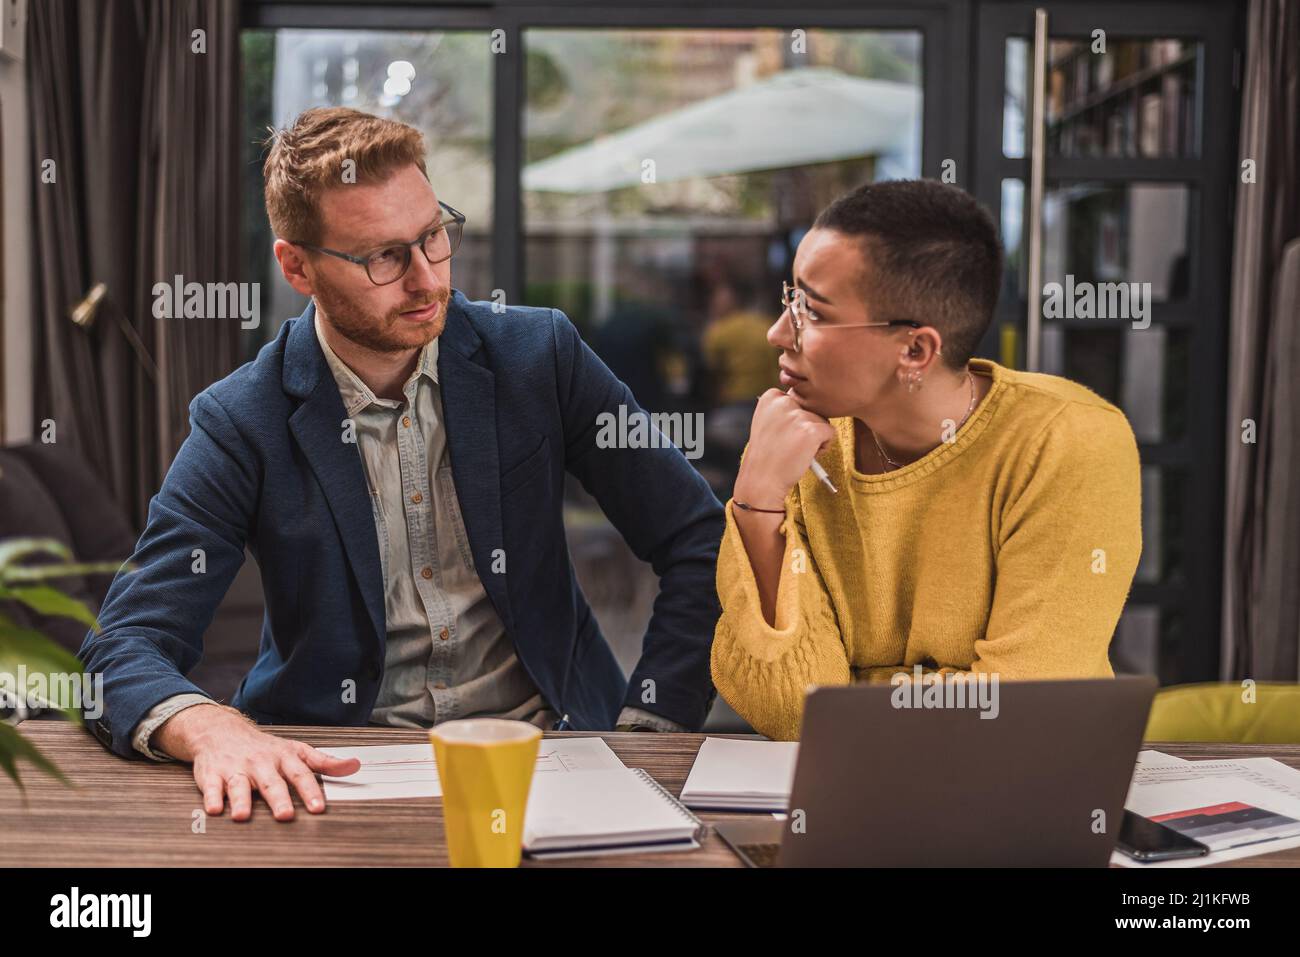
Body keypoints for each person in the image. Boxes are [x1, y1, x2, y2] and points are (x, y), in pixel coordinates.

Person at [79, 107, 723, 820]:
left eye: (433, 236)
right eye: (383, 256)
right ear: (296, 265)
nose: (426, 280)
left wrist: (652, 726)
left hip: (552, 754)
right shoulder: (242, 420)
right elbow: (124, 643)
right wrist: (212, 725)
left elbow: (697, 538)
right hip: (334, 777)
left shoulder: (541, 357)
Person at [712, 179, 1142, 741]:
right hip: (830, 801)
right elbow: (789, 712)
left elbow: (1022, 709)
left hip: (1017, 803)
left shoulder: (1068, 441)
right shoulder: (790, 441)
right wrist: (756, 502)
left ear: (915, 351)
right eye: (789, 299)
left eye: (812, 314)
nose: (776, 333)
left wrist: (851, 692)